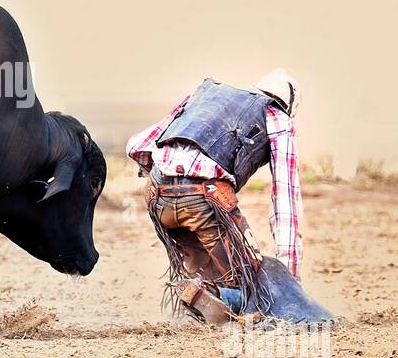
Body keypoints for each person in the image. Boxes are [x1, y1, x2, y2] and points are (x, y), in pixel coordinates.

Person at [126, 70, 303, 324]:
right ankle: (228, 302)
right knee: (250, 281)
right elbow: (285, 202)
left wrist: (162, 176)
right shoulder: (277, 117)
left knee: (208, 267)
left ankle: (203, 296)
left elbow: (136, 145)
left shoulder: (206, 96)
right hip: (203, 198)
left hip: (157, 196)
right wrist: (290, 282)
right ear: (289, 106)